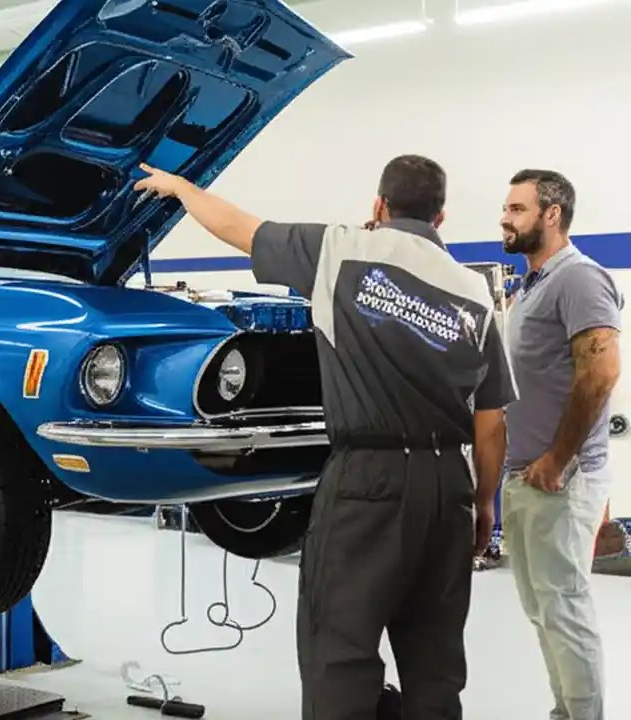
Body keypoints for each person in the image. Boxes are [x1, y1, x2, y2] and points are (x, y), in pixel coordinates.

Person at [134, 155, 515, 719]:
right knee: (435, 663)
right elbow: (492, 423)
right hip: (446, 484)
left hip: (368, 481)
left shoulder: (340, 250)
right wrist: (482, 504)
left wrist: (181, 187)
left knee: (340, 648)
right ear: (441, 217)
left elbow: (239, 227)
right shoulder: (475, 292)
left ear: (378, 206)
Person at [497, 168, 622, 720]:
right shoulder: (537, 285)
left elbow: (600, 374)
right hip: (530, 477)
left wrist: (559, 460)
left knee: (564, 608)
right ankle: (565, 713)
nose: (505, 217)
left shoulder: (578, 279)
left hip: (557, 479)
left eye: (518, 209)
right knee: (544, 609)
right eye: (507, 208)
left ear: (553, 214)